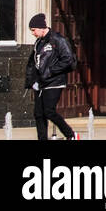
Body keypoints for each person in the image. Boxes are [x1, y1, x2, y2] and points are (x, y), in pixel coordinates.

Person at [26, 13, 77, 141]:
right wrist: (31, 80)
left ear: (42, 27)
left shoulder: (57, 39)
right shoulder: (38, 42)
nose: (33, 33)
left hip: (55, 81)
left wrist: (50, 71)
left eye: (33, 30)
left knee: (49, 111)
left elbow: (68, 59)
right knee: (38, 114)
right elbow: (33, 62)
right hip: (41, 82)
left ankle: (70, 135)